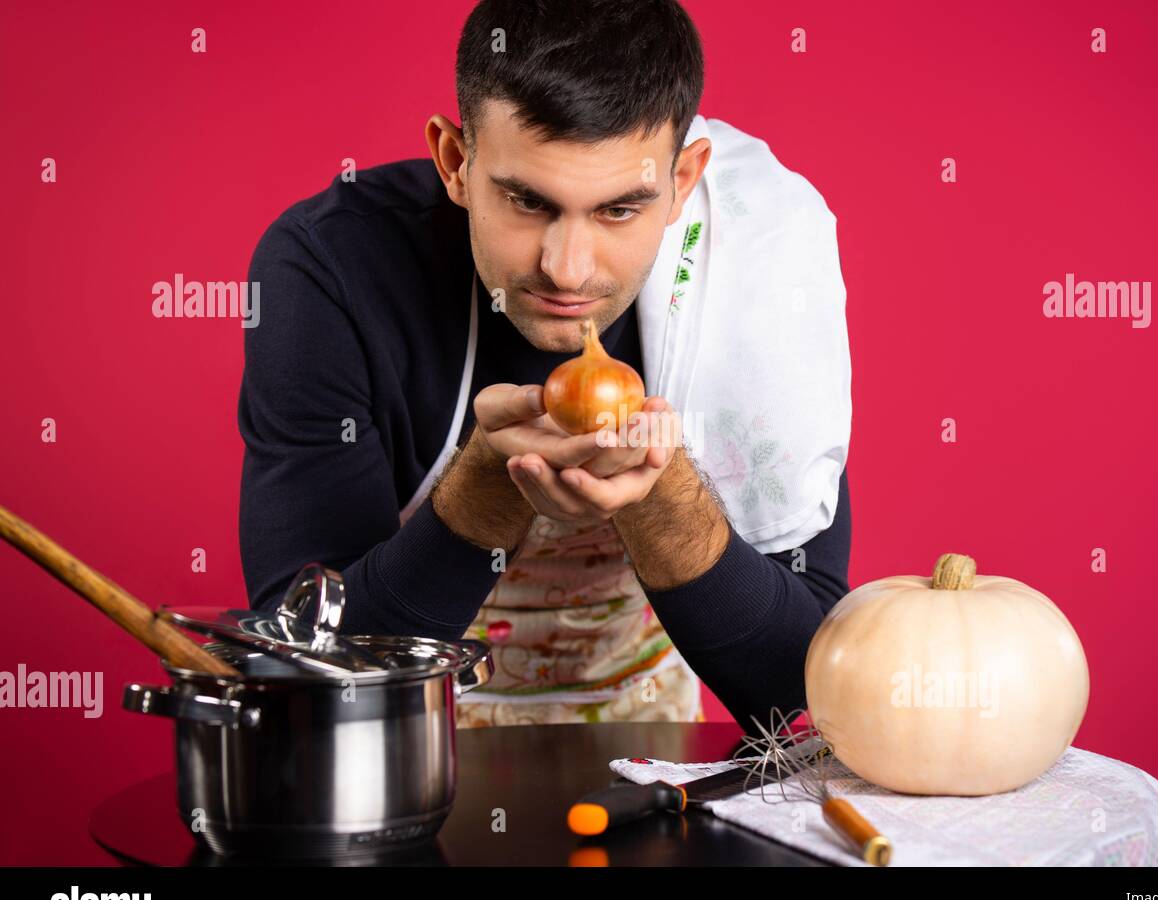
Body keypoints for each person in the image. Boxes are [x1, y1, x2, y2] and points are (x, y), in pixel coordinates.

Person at [237, 0, 852, 728]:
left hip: (648, 778)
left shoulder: (757, 272)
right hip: (408, 782)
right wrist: (488, 485)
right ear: (456, 162)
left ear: (684, 181)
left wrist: (659, 493)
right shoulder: (331, 266)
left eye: (620, 209)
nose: (567, 271)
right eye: (528, 201)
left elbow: (802, 682)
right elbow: (308, 674)